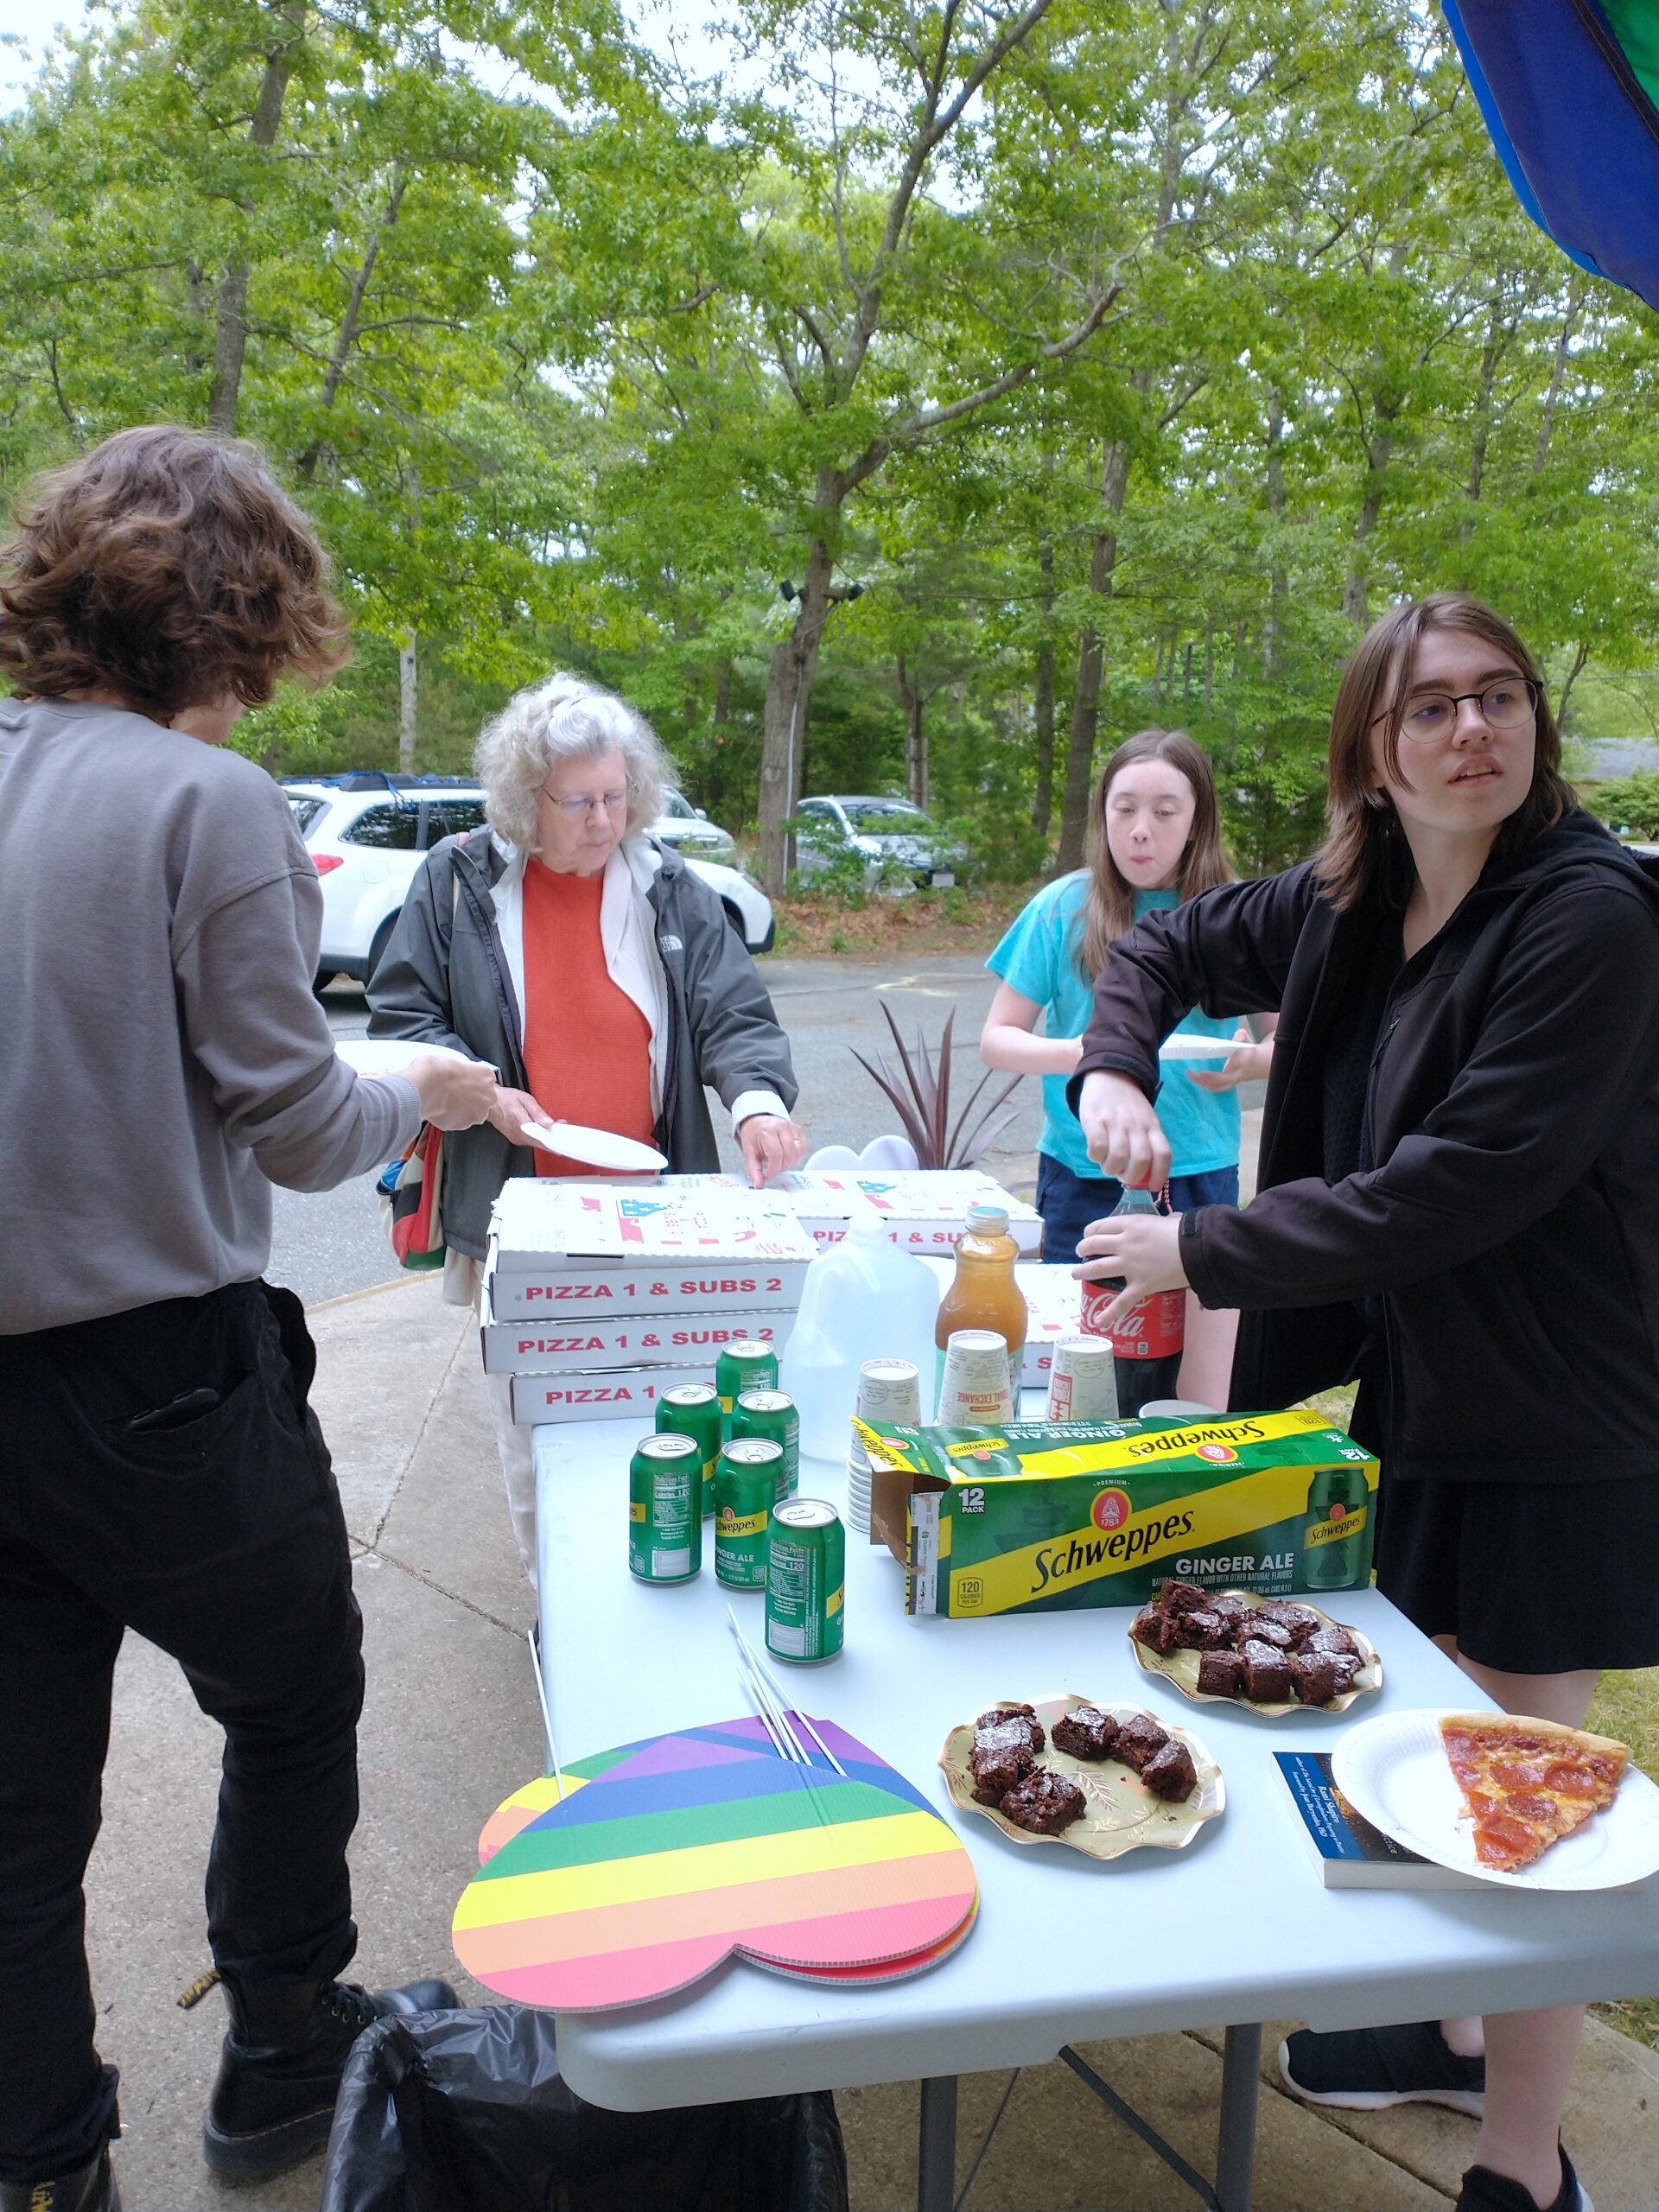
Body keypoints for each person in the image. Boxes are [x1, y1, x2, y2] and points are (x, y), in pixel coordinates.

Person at [1071, 592, 1659, 2212]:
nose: (1472, 731)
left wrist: (1198, 1243)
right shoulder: (1360, 890)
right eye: (1429, 710)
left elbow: (1458, 1186)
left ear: (1533, 722)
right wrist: (1112, 1066)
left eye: (1498, 697)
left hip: (1564, 1417)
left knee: (1530, 1800)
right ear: (1372, 758)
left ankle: (1524, 2168)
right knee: (1411, 1736)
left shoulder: (1590, 917)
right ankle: (1422, 2028)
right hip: (1420, 1384)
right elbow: (1176, 935)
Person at [0, 428, 497, 2212]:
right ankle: (284, 2045)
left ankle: (46, 2163)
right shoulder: (207, 801)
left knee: (17, 1810)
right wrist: (423, 1088)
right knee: (294, 1689)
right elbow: (293, 1115)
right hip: (158, 1387)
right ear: (243, 610)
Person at [368, 671, 806, 1576]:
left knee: (663, 1413)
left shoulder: (668, 884)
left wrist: (757, 1101)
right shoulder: (455, 879)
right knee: (535, 1421)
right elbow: (403, 1018)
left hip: (652, 1204)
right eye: (579, 802)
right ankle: (554, 1593)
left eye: (617, 796)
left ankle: (657, 1575)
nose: (604, 821)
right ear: (527, 801)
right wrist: (482, 1087)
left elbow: (734, 1013)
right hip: (519, 1209)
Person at [979, 728, 1273, 1404]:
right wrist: (1091, 1055)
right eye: (1124, 809)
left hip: (1198, 1171)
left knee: (1193, 1375)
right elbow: (998, 1039)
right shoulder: (1063, 907)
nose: (1142, 831)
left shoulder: (1235, 914)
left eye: (1166, 812)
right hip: (1084, 1172)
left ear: (1198, 820)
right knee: (1085, 1367)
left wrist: (1247, 1064)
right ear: (1102, 815)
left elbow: (1285, 1042)